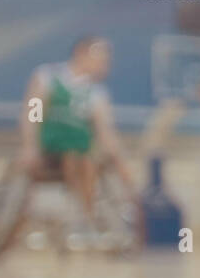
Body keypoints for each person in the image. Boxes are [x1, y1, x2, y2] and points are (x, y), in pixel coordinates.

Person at [16, 36, 135, 237]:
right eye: (101, 59)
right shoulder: (47, 77)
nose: (105, 65)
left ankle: (91, 216)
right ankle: (82, 216)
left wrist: (124, 167)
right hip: (50, 147)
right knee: (75, 157)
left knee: (87, 158)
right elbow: (32, 114)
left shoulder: (96, 93)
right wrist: (30, 147)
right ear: (82, 53)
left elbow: (106, 132)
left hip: (81, 151)